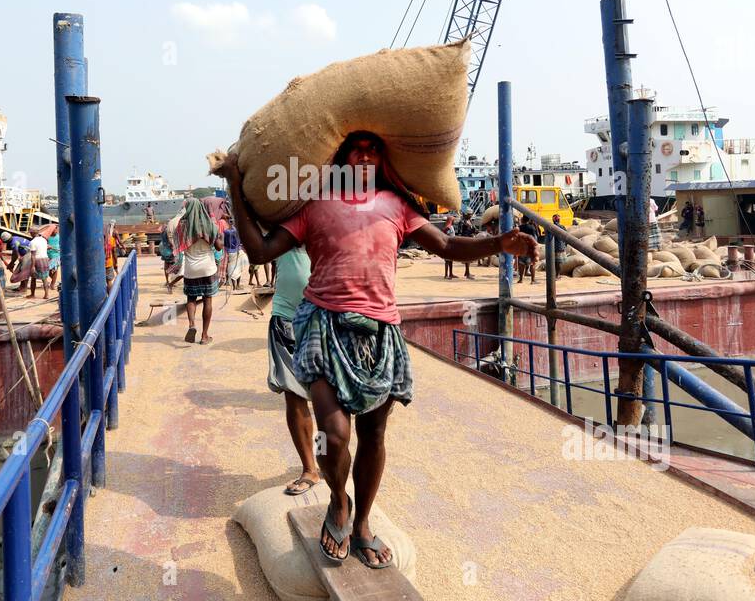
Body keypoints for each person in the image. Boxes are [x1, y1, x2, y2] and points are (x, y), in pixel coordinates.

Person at [217, 132, 535, 567]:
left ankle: (362, 521)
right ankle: (338, 501)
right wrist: (234, 182)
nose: (365, 154)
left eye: (373, 148)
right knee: (335, 433)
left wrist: (499, 244)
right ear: (342, 157)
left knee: (374, 435)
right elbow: (258, 251)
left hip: (380, 332)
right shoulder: (314, 204)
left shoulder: (398, 207)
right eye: (356, 147)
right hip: (323, 327)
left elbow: (448, 246)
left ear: (382, 158)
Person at [267, 244, 320, 496]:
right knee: (294, 395)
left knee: (326, 402)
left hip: (325, 318)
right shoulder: (281, 226)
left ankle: (324, 459)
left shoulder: (329, 219)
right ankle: (310, 468)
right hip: (285, 318)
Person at [171, 199, 223, 344]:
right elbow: (219, 247)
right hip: (207, 268)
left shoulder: (181, 226)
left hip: (190, 269)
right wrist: (219, 236)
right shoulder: (209, 225)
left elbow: (176, 244)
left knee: (191, 299)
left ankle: (192, 324)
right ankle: (204, 336)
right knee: (207, 300)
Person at [446, 212, 477, 280]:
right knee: (466, 257)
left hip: (470, 240)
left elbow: (474, 230)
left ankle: (467, 272)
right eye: (469, 214)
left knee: (468, 257)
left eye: (471, 214)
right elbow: (460, 233)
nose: (470, 216)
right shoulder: (462, 222)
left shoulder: (470, 221)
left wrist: (473, 232)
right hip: (464, 241)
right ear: (466, 215)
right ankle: (466, 273)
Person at [26, 232, 51, 299]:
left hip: (38, 260)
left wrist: (33, 266)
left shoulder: (32, 242)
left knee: (33, 278)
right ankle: (46, 294)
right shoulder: (44, 239)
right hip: (45, 259)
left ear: (32, 233)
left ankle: (32, 294)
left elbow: (33, 255)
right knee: (44, 278)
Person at [517, 215, 539, 283]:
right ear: (528, 220)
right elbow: (534, 238)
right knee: (532, 264)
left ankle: (521, 279)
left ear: (522, 220)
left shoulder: (519, 228)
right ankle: (532, 280)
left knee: (521, 264)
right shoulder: (531, 228)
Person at [442, 214, 457, 279]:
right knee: (447, 261)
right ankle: (446, 275)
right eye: (453, 220)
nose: (454, 221)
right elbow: (444, 235)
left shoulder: (451, 226)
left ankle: (451, 273)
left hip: (452, 245)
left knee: (451, 260)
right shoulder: (448, 227)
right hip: (448, 245)